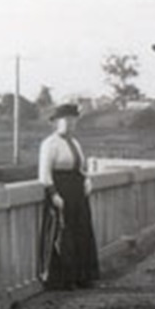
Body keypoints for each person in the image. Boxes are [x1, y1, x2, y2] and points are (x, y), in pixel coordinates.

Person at [38, 103, 99, 290]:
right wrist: (54, 194)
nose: (70, 124)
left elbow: (80, 168)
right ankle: (62, 280)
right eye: (66, 120)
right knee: (62, 235)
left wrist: (87, 179)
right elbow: (44, 173)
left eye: (73, 120)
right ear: (56, 122)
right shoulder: (50, 143)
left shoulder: (75, 142)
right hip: (60, 191)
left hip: (77, 192)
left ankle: (82, 276)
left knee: (81, 232)